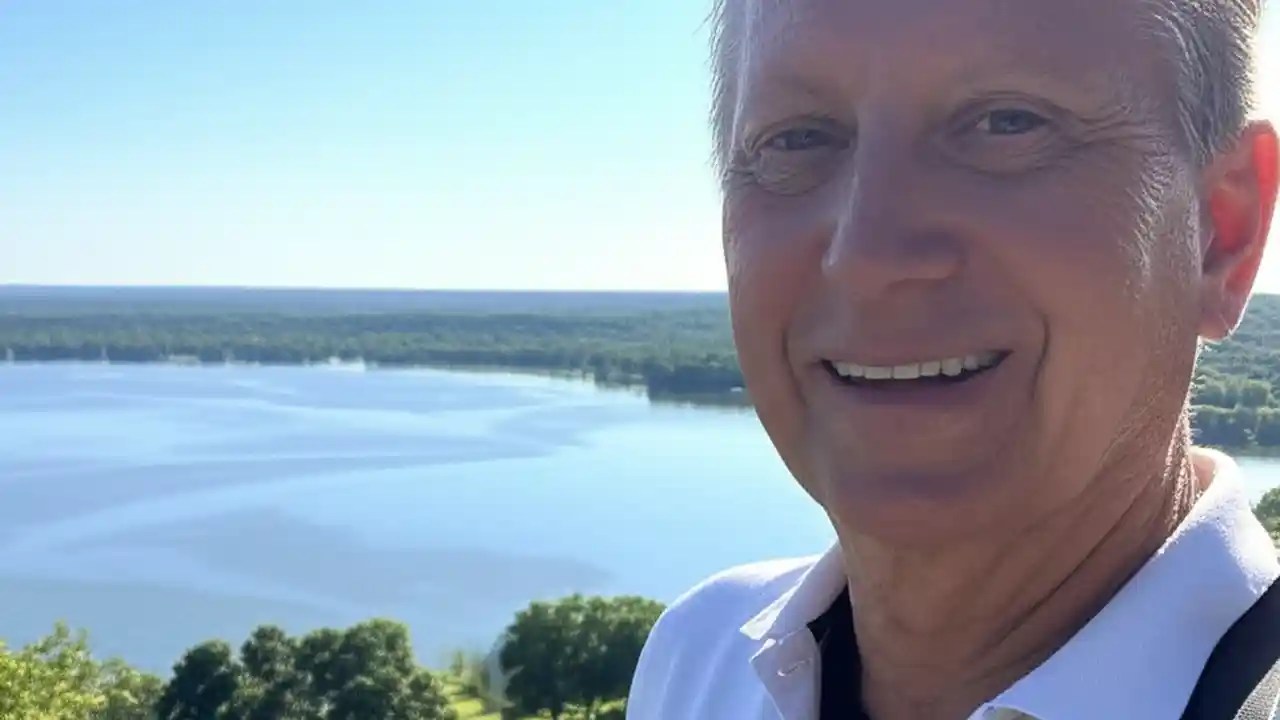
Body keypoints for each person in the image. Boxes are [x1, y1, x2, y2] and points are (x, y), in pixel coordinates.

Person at [626, 0, 1280, 718]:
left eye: (1008, 122)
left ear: (1224, 233)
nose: (866, 256)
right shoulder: (698, 661)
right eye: (797, 139)